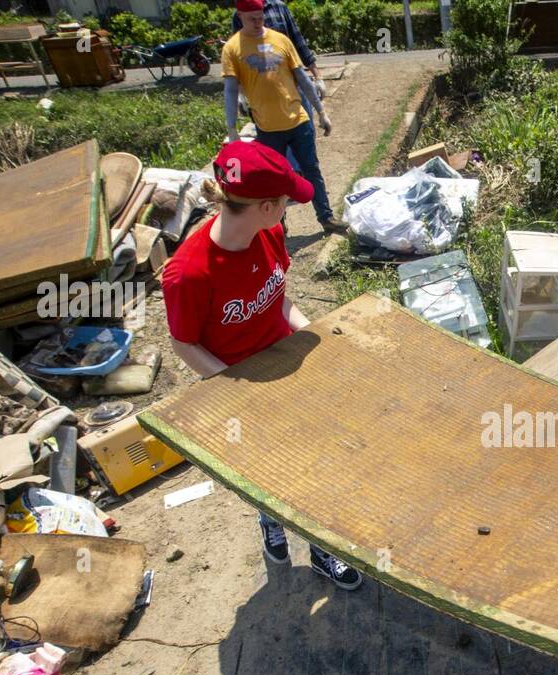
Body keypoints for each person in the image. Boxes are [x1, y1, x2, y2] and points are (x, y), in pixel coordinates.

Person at [161, 139, 363, 591]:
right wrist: (235, 387)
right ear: (267, 206)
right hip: (238, 385)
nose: (292, 205)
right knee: (266, 473)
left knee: (315, 465)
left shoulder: (268, 233)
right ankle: (270, 520)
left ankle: (322, 550)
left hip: (287, 368)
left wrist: (314, 334)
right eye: (288, 199)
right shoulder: (189, 272)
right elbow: (183, 343)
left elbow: (279, 297)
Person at [221, 0, 346, 235]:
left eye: (261, 17)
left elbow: (302, 78)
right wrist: (231, 129)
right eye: (252, 19)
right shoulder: (232, 48)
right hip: (267, 129)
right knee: (274, 181)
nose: (259, 23)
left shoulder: (281, 40)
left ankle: (327, 218)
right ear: (240, 17)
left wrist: (321, 112)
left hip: (298, 121)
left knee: (312, 171)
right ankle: (278, 227)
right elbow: (229, 89)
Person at [230, 0, 332, 136]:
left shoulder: (279, 7)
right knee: (275, 145)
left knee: (306, 132)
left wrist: (317, 76)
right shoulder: (241, 14)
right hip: (264, 94)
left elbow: (298, 41)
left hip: (294, 85)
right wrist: (241, 94)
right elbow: (240, 56)